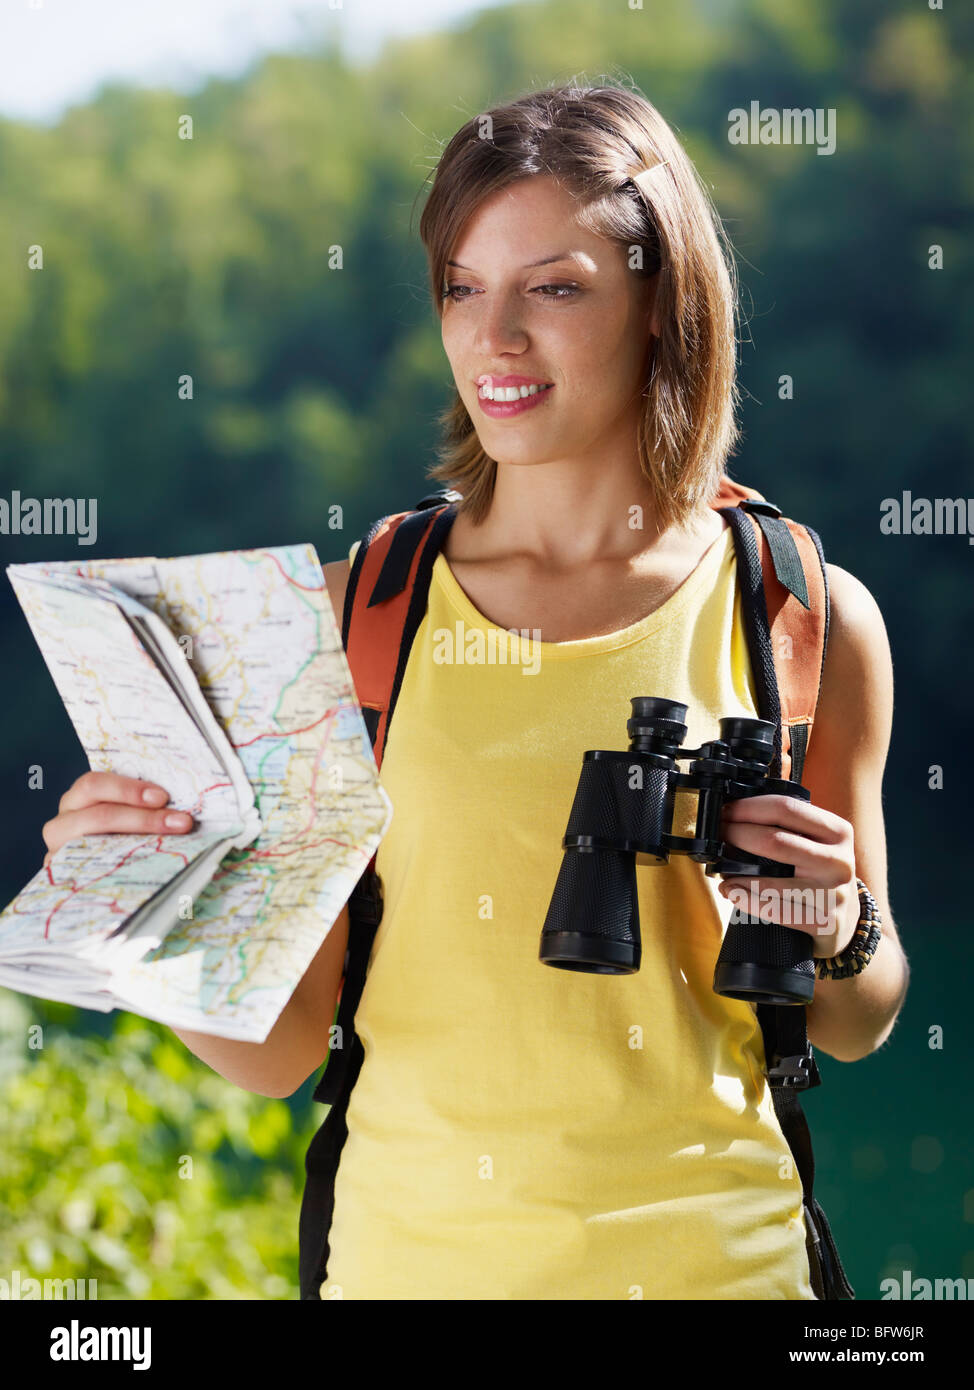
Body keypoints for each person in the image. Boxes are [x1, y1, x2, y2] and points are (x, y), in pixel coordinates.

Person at [41, 81, 910, 1299]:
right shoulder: (347, 621)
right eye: (461, 285)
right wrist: (135, 910)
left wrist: (838, 920)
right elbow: (283, 1046)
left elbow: (858, 1018)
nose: (493, 335)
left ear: (660, 303)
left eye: (553, 287)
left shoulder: (798, 609)